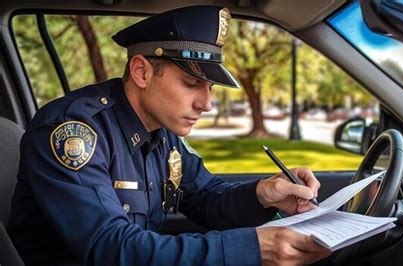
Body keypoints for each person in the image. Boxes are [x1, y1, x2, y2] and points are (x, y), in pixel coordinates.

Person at [8, 6, 331, 265]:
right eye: (191, 84)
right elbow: (110, 247)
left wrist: (264, 193)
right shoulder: (74, 132)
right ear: (142, 72)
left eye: (209, 87)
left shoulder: (163, 134)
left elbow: (206, 199)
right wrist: (252, 249)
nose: (206, 103)